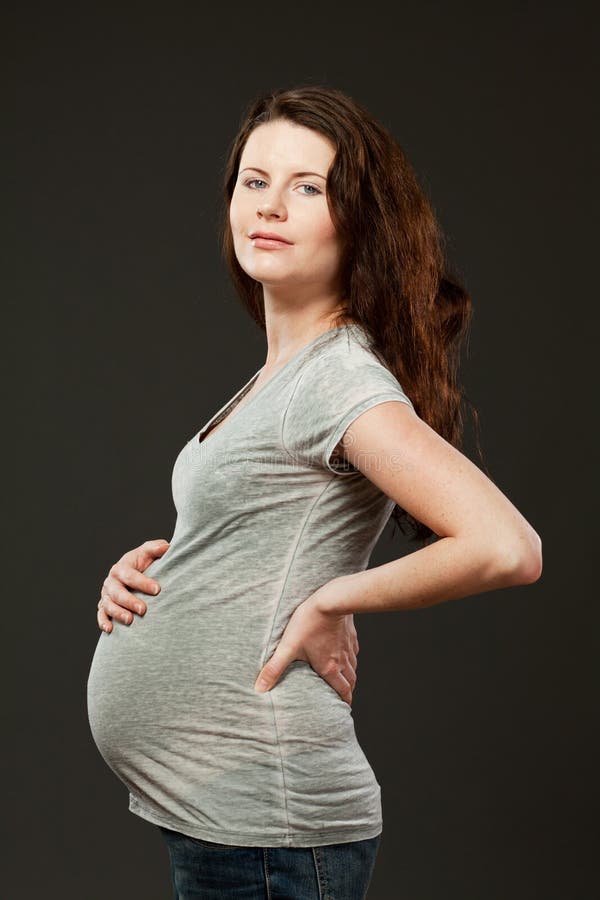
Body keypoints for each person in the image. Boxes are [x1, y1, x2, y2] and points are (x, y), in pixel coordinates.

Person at [87, 85, 543, 899]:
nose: (270, 205)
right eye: (254, 181)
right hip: (227, 821)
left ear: (358, 220)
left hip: (269, 832)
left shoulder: (333, 377)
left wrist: (333, 599)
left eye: (310, 187)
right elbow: (257, 535)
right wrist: (156, 574)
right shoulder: (284, 376)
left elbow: (507, 546)